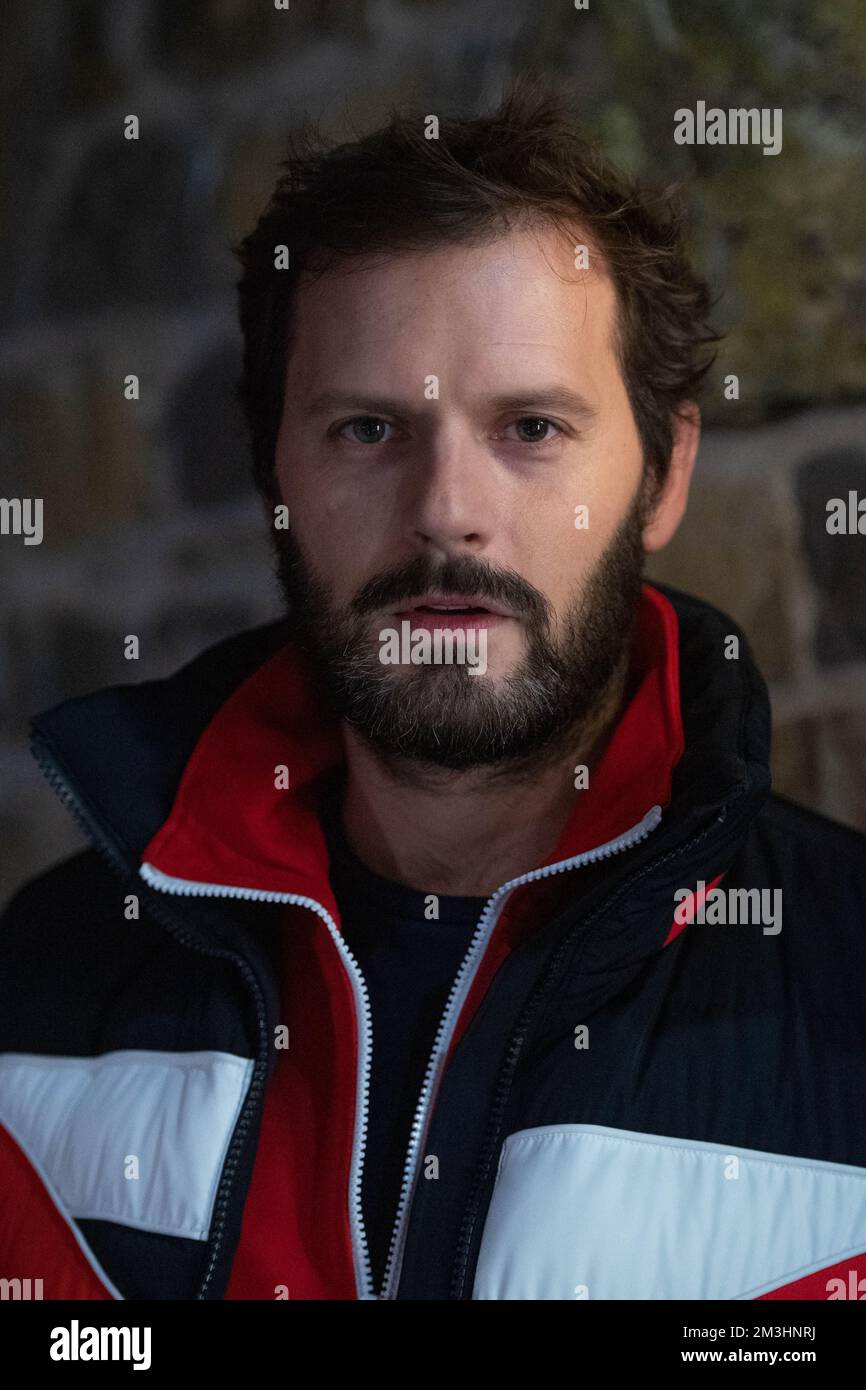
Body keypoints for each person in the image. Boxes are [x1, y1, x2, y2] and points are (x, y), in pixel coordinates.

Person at [2, 78, 865, 1303]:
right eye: (365, 431)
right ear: (272, 478)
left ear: (662, 477)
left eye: (528, 428)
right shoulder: (43, 974)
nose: (444, 511)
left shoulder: (843, 992)